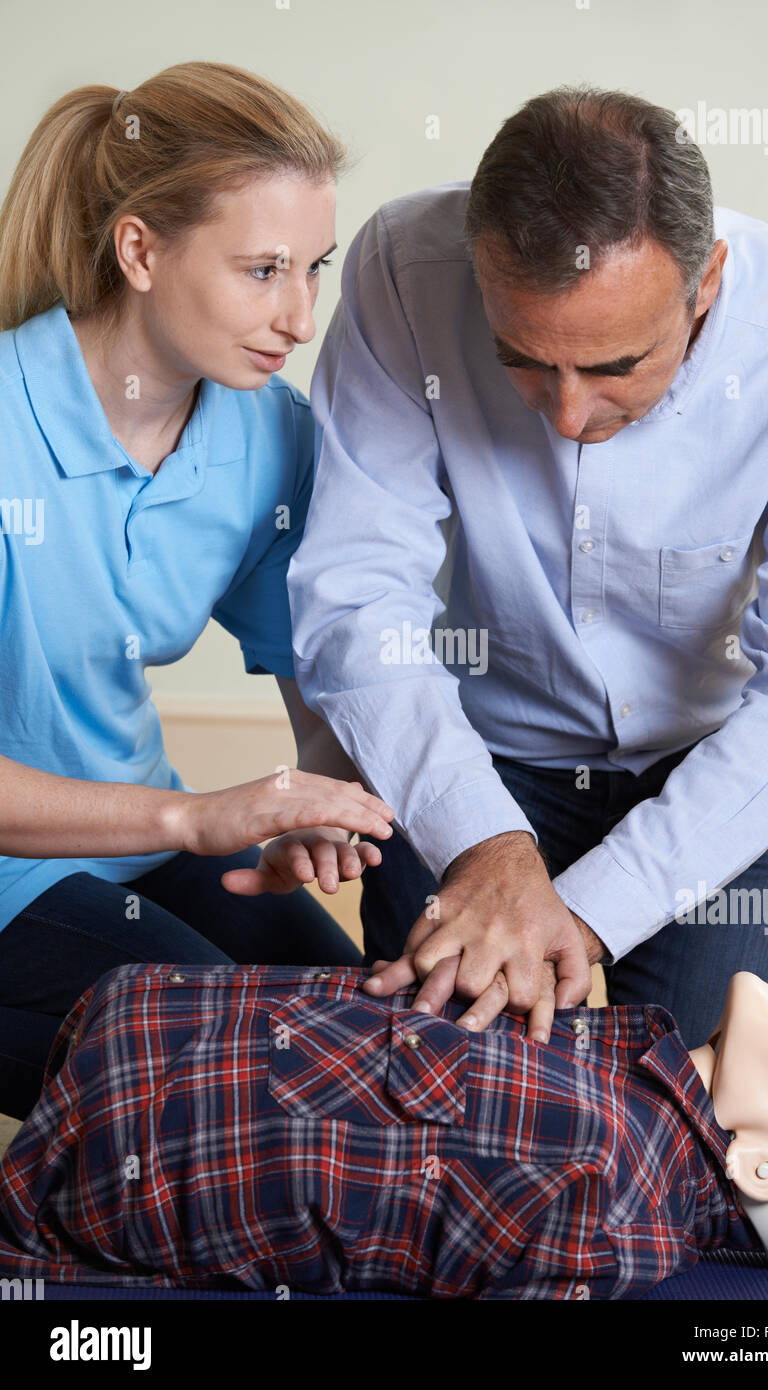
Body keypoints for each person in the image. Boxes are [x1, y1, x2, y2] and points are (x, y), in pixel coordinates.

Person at [285, 84, 768, 1049]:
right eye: (520, 360)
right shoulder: (403, 270)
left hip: (719, 758)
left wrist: (580, 913)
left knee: (733, 1120)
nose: (563, 418)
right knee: (446, 1093)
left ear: (706, 282)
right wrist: (483, 842)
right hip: (472, 749)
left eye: (613, 367)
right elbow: (357, 590)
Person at [0, 60, 395, 1121]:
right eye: (262, 270)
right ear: (140, 249)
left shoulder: (265, 435)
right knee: (251, 1083)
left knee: (362, 1045)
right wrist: (200, 810)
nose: (300, 316)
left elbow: (307, 669)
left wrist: (318, 791)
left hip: (139, 846)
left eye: (314, 267)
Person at [0, 963, 768, 1298]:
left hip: (130, 1116)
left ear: (760, 1169)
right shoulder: (625, 1068)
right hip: (152, 1023)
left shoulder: (606, 1191)